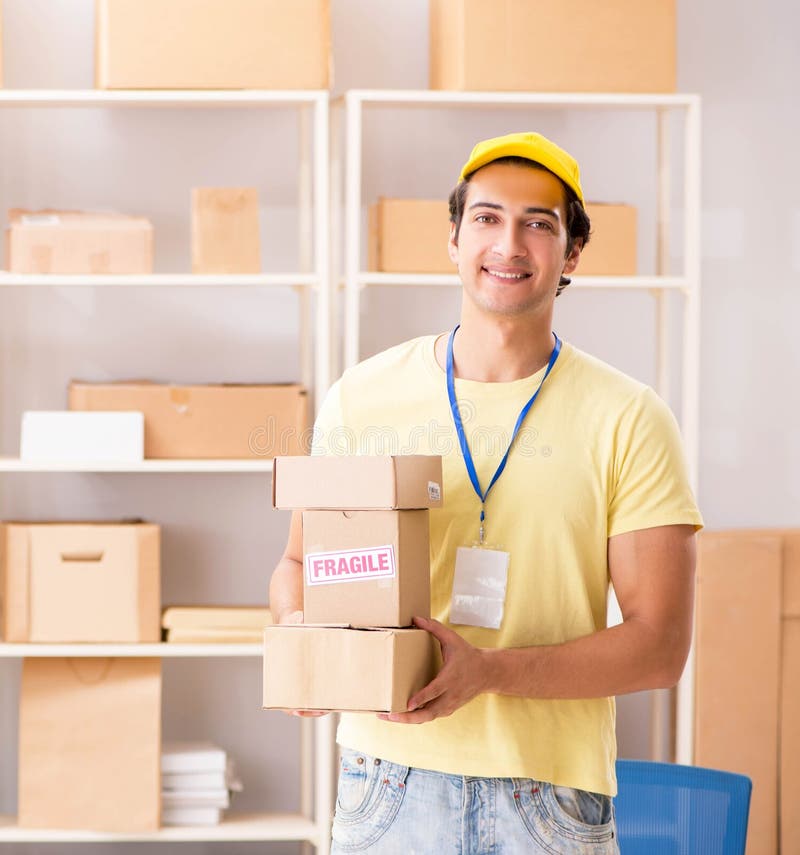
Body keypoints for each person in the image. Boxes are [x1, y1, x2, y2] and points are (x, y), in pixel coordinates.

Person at [270, 131, 703, 854]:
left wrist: (491, 672)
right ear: (454, 237)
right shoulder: (364, 398)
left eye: (539, 223)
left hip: (548, 799)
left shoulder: (629, 416)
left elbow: (660, 645)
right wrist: (300, 637)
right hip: (389, 784)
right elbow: (296, 567)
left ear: (570, 256)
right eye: (487, 217)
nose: (509, 243)